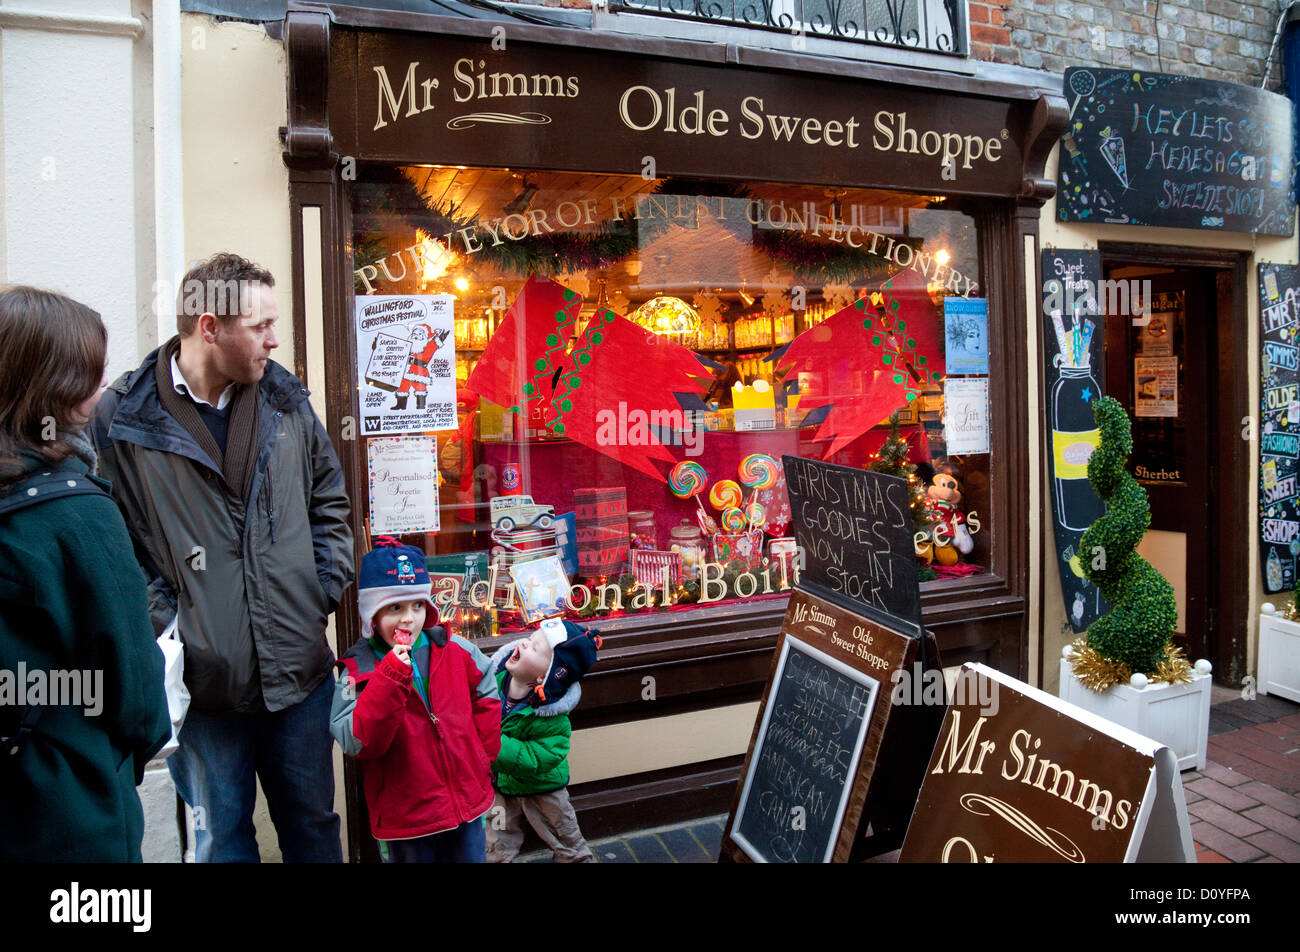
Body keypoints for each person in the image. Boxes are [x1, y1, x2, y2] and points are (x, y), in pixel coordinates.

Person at [91, 253, 354, 862]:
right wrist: (173, 623)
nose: (275, 338)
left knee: (314, 830)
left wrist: (314, 591)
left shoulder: (286, 399)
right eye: (260, 325)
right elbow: (114, 546)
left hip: (299, 677)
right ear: (210, 328)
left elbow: (331, 502)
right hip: (202, 689)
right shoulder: (122, 419)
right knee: (220, 842)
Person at [0, 286, 171, 862]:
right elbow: (137, 695)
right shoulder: (75, 515)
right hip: (65, 807)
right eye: (92, 376)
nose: (103, 390)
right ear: (58, 388)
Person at [330, 537, 501, 862]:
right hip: (407, 817)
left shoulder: (453, 650)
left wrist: (483, 753)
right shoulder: (356, 671)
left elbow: (487, 689)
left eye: (417, 606)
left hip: (464, 802)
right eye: (395, 608)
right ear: (372, 615)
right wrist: (389, 678)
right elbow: (355, 740)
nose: (408, 618)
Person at [485, 619, 600, 863]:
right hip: (496, 784)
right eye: (530, 638)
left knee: (563, 832)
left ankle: (575, 858)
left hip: (542, 788)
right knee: (495, 836)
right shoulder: (491, 684)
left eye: (535, 648)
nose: (525, 643)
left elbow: (539, 757)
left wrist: (492, 743)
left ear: (543, 677)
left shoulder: (552, 716)